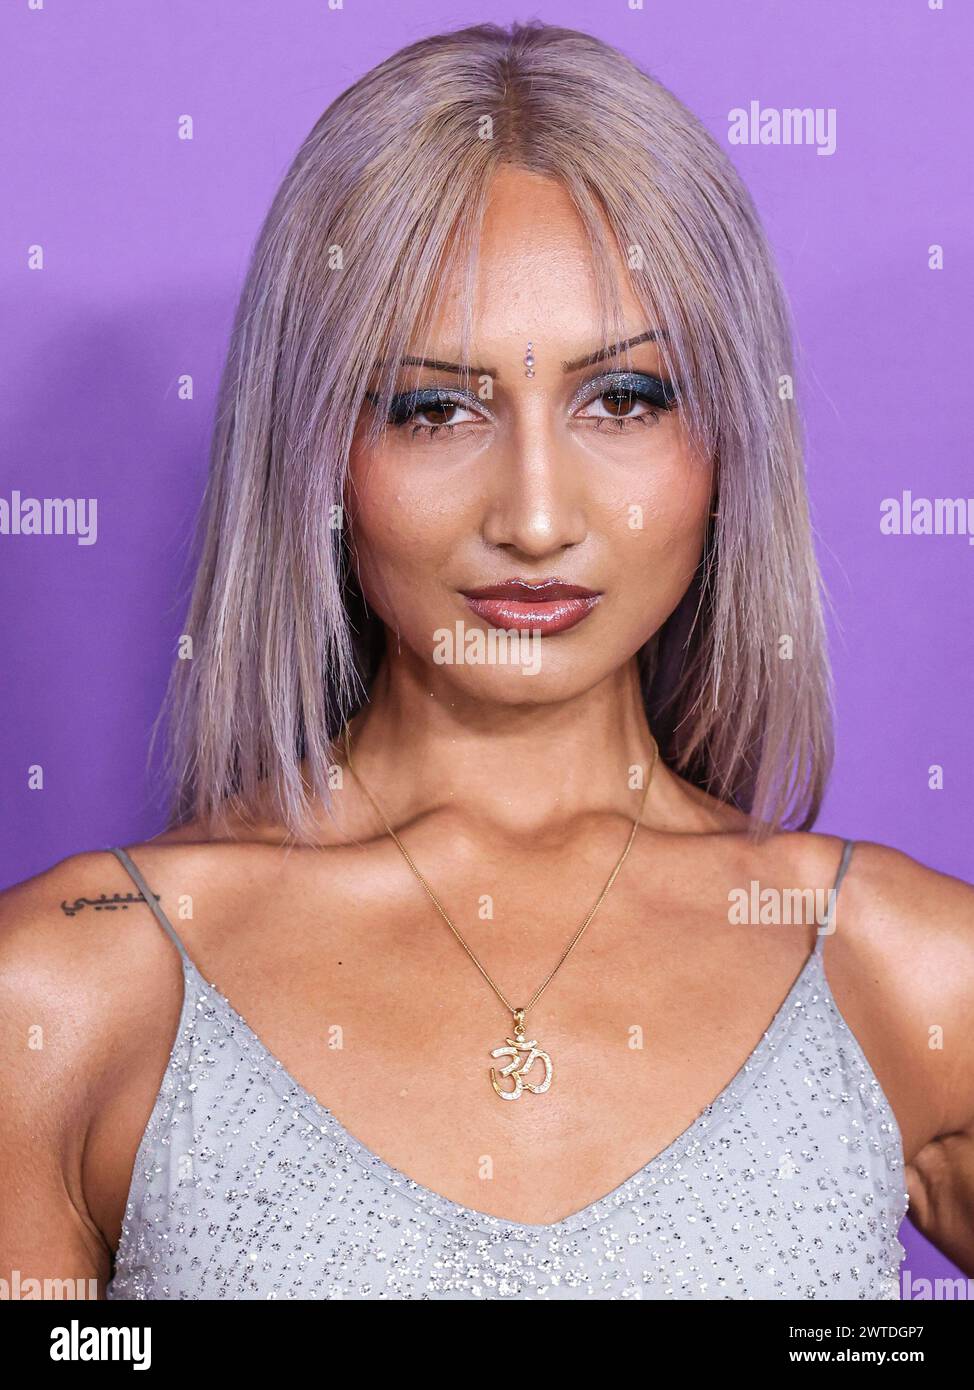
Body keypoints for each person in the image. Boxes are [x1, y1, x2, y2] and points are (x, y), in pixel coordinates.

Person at [1, 21, 971, 1302]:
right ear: (315, 450)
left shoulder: (899, 966)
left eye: (622, 399)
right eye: (432, 406)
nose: (531, 515)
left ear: (729, 436)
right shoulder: (74, 983)